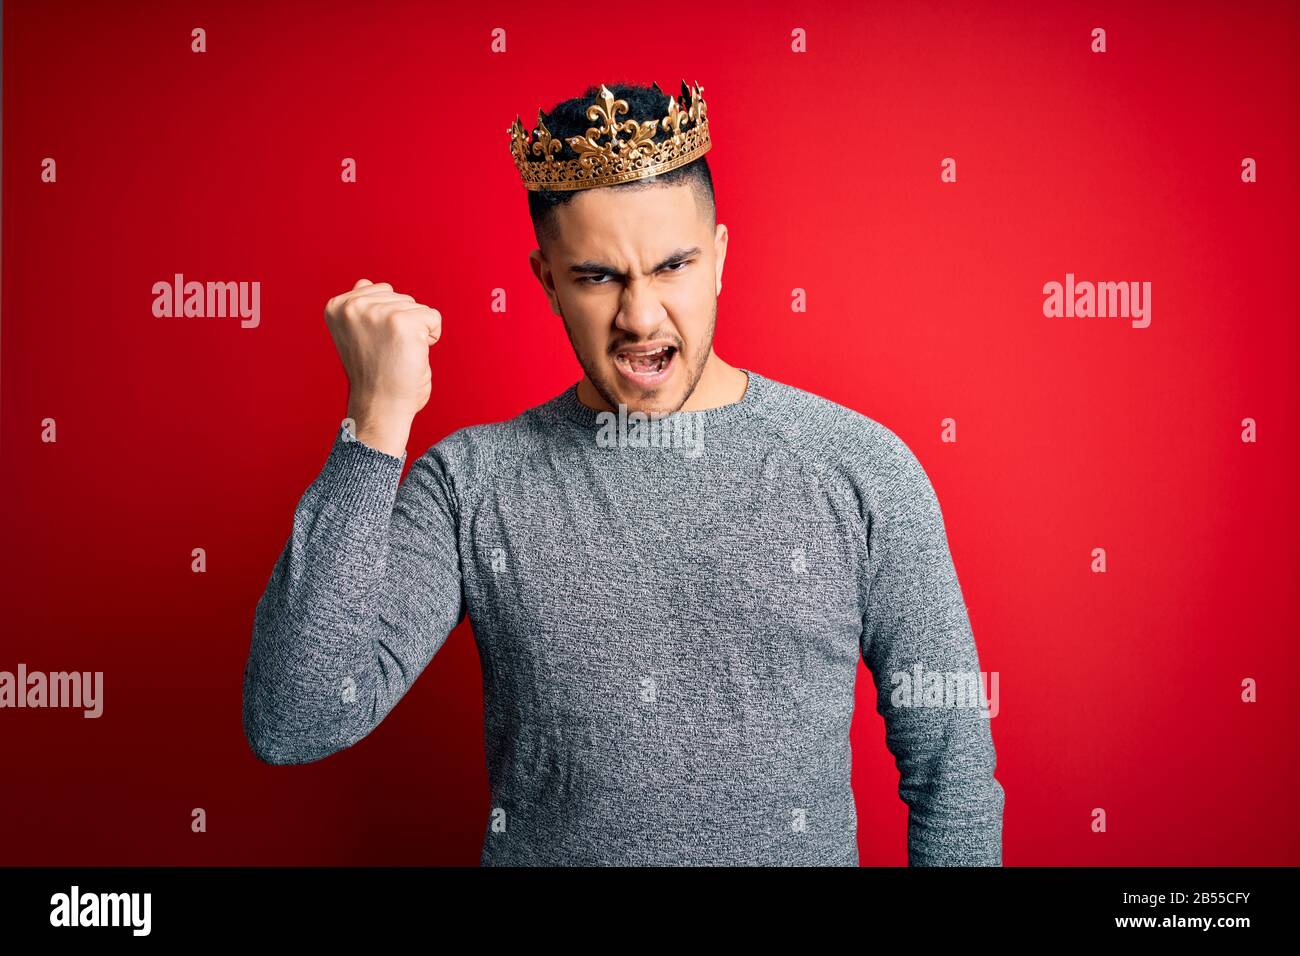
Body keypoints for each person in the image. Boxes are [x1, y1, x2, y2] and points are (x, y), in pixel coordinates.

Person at [240, 79, 1005, 866]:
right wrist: (374, 423)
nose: (640, 317)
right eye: (598, 277)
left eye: (673, 265)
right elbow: (293, 721)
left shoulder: (862, 470)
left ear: (720, 260)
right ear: (545, 281)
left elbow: (955, 776)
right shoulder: (472, 484)